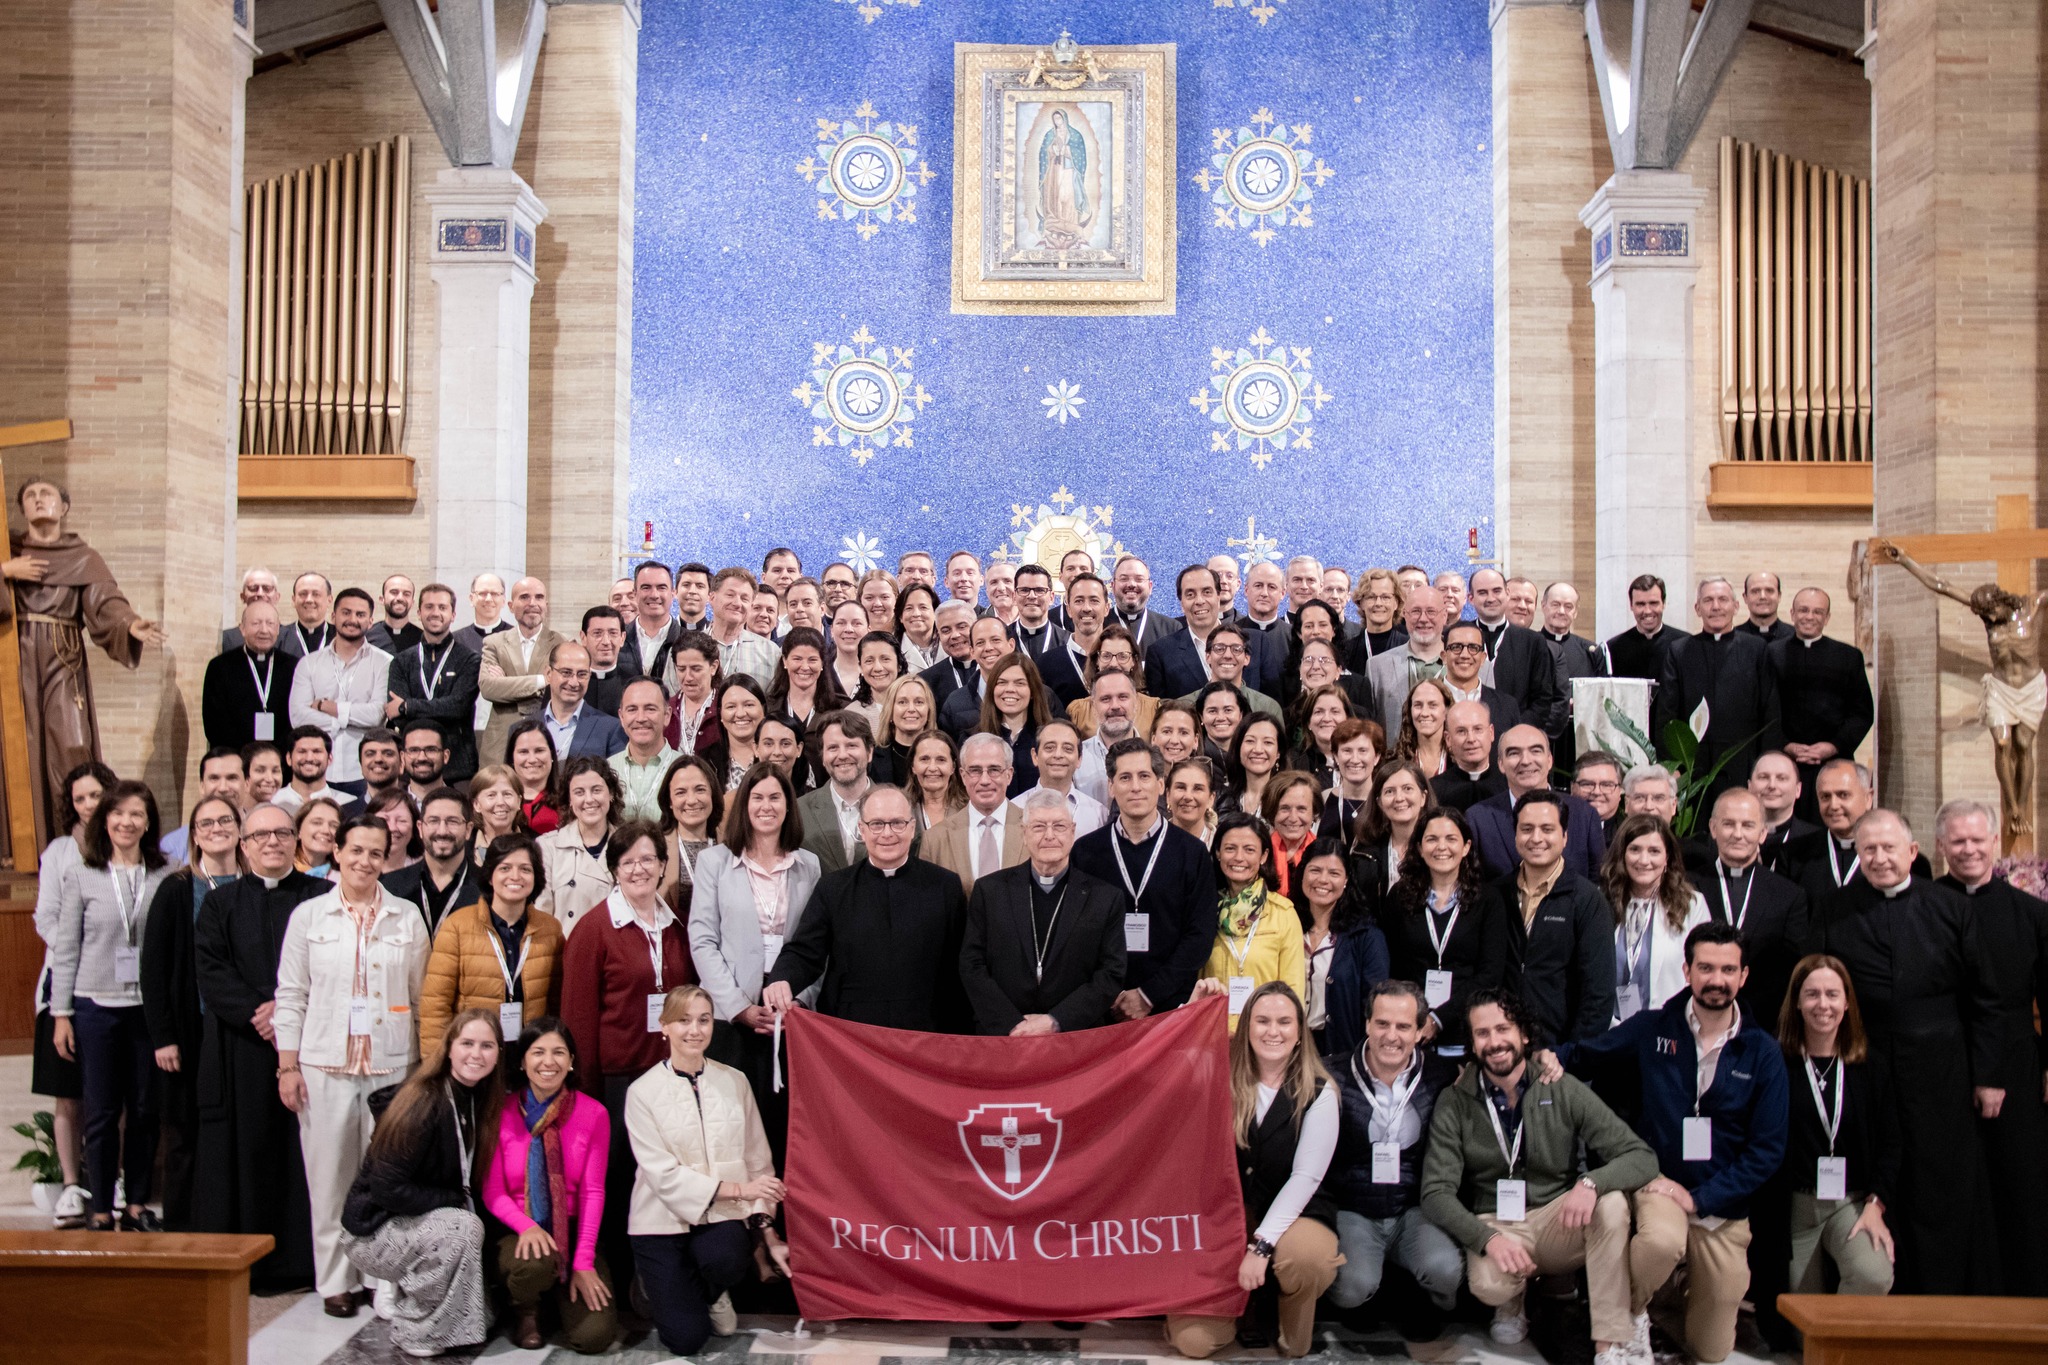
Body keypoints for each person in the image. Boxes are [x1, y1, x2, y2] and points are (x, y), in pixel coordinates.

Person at [1551, 921, 1789, 1362]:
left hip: (1722, 1206)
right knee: (1660, 1242)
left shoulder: (1763, 1052)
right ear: (1687, 970)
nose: (1716, 980)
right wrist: (1541, 1059)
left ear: (1743, 976)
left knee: (1711, 1350)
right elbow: (1586, 1053)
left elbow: (1767, 1151)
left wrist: (1700, 1198)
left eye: (1728, 970)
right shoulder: (1653, 1027)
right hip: (1659, 1183)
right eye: (1706, 968)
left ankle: (1670, 1294)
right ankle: (1630, 1315)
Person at [1806, 808, 2002, 1292]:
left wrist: (1988, 1076)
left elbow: (1985, 998)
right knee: (1875, 1173)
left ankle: (1939, 1295)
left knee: (1939, 1181)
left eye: (1889, 848)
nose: (1879, 858)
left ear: (1912, 852)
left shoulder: (1951, 908)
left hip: (1942, 1068)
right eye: (1868, 849)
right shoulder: (1834, 909)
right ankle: (1872, 1286)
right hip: (1865, 1064)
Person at [1420, 990, 1654, 1361]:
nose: (1494, 1042)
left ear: (1525, 1034)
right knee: (1489, 1286)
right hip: (1496, 1222)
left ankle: (1608, 1343)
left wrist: (1591, 1183)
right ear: (1472, 1043)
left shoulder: (1559, 1085)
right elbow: (1435, 1193)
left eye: (1503, 1029)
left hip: (1557, 1219)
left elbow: (1640, 1156)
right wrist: (1487, 1239)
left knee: (1610, 1204)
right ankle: (1512, 1300)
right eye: (1482, 1033)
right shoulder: (1455, 1100)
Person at [273, 814, 432, 1315]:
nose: (365, 861)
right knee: (330, 1181)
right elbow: (291, 996)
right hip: (325, 1067)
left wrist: (423, 1071)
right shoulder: (309, 917)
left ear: (387, 859)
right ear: (337, 852)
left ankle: (380, 1277)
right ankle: (335, 1282)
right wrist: (287, 1066)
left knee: (385, 1178)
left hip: (392, 1067)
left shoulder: (406, 917)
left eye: (375, 853)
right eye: (356, 850)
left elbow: (422, 999)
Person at [191, 800, 327, 1288]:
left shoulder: (322, 897)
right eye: (260, 836)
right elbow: (211, 971)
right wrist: (264, 1012)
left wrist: (290, 1015)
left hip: (311, 1046)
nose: (272, 842)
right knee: (250, 1154)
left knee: (305, 1155)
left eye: (282, 833)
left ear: (296, 841)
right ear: (244, 847)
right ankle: (255, 1264)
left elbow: (333, 968)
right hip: (244, 1049)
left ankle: (306, 1262)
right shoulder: (220, 904)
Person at [1166, 982, 1340, 1360]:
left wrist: (1261, 1246)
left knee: (1306, 1257)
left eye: (1284, 1022)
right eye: (1262, 1021)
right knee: (1193, 1342)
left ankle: (1288, 1328)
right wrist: (1190, 1011)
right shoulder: (1219, 1069)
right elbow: (1169, 1065)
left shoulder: (1320, 1092)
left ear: (1300, 1032)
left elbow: (1305, 1178)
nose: (1272, 1031)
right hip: (1223, 1217)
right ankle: (1236, 1312)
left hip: (1295, 1215)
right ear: (1246, 1028)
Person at [558, 821, 694, 1289]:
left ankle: (661, 1276)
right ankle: (619, 1274)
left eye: (647, 859)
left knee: (665, 1177)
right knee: (620, 1179)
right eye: (628, 861)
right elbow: (577, 1018)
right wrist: (586, 1092)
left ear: (662, 865)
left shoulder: (676, 924)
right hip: (618, 1080)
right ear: (614, 869)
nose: (639, 869)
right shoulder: (594, 929)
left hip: (669, 1075)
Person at [2, 479, 165, 850]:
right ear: (22, 508)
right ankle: (20, 847)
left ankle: (75, 843)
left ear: (64, 507)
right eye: (30, 496)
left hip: (62, 660)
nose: (38, 499)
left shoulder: (83, 557)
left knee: (72, 746)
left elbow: (106, 602)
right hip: (14, 659)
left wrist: (129, 624)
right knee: (16, 746)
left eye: (47, 494)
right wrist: (5, 572)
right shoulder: (9, 551)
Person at [626, 985, 789, 1356]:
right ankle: (652, 1281)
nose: (695, 1030)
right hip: (659, 1223)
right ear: (664, 1025)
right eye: (683, 1020)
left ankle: (712, 1291)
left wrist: (768, 1234)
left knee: (727, 1257)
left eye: (703, 1020)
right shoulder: (641, 1092)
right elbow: (664, 1176)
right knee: (686, 1340)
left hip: (719, 1218)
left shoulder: (735, 1081)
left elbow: (758, 1161)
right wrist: (739, 1190)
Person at [339, 1008, 504, 1357]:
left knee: (484, 1317)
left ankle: (439, 1318)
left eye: (487, 1046)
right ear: (449, 1048)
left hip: (418, 1219)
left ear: (498, 1054)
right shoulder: (423, 1101)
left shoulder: (476, 1098)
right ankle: (415, 1330)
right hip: (373, 1230)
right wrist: (452, 1199)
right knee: (461, 1228)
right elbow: (386, 1188)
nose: (476, 1054)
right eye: (467, 1043)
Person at [1932, 798, 2048, 1294]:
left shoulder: (2032, 914)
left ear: (1996, 842)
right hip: (1943, 1064)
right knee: (1952, 1187)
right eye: (1957, 841)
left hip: (2017, 1066)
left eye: (1978, 840)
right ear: (1940, 846)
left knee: (2019, 1184)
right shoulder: (1924, 904)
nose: (1969, 850)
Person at [1752, 953, 1897, 1347]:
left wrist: (1876, 1205)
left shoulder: (1870, 1066)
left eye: (1833, 994)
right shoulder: (1774, 1063)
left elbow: (1892, 1143)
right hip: (1793, 1208)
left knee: (1873, 1274)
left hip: (1850, 1205)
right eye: (1812, 994)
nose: (1823, 1004)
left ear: (1847, 1002)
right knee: (1799, 1333)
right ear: (1797, 1002)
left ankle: (1839, 1349)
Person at [48, 779, 173, 1231]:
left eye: (136, 813)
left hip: (147, 1009)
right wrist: (61, 1014)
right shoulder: (82, 874)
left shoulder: (166, 873)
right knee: (101, 1111)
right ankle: (101, 1207)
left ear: (148, 822)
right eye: (118, 813)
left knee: (144, 1110)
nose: (126, 822)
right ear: (105, 821)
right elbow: (66, 949)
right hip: (95, 1007)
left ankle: (136, 1205)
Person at [763, 785, 972, 1031]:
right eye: (877, 824)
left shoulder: (945, 886)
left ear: (912, 827)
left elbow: (962, 962)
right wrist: (783, 979)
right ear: (862, 829)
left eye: (897, 823)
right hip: (851, 1031)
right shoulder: (833, 889)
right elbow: (805, 952)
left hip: (926, 1030)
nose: (887, 833)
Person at [1321, 981, 1465, 1336]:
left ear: (1419, 1031)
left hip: (1412, 1209)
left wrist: (1545, 1061)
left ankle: (1415, 1293)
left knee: (1446, 1271)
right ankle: (1368, 1294)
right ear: (1367, 1024)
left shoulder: (1442, 1075)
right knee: (1352, 1287)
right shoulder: (1331, 1075)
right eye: (1382, 1024)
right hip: (1354, 1209)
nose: (1391, 1036)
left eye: (1403, 1026)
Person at [689, 763, 821, 1145]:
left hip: (789, 1012)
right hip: (731, 1015)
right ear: (744, 804)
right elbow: (702, 940)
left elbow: (817, 945)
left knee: (784, 1125)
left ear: (788, 805)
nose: (766, 806)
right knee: (733, 1127)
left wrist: (799, 1000)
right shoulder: (714, 862)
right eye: (757, 797)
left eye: (775, 797)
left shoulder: (809, 865)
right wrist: (738, 1007)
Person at [484, 1017, 617, 1353]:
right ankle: (525, 1310)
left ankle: (557, 1300)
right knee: (535, 1263)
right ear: (522, 1061)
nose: (548, 1061)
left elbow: (593, 1192)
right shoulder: (501, 1112)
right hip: (517, 1231)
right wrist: (527, 1227)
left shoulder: (594, 1114)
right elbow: (493, 1192)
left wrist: (583, 1261)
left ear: (571, 1061)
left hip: (572, 1231)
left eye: (559, 1052)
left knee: (594, 1338)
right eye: (538, 1052)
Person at [141, 796, 241, 1229]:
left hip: (239, 1030)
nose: (217, 828)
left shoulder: (254, 884)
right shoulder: (177, 888)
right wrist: (163, 1036)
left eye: (225, 820)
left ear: (239, 828)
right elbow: (154, 968)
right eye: (206, 823)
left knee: (232, 1132)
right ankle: (181, 1230)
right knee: (184, 1133)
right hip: (189, 1029)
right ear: (195, 835)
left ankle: (229, 1225)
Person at [959, 791, 1128, 1035]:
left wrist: (1056, 1021)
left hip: (1075, 1036)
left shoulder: (1105, 898)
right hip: (1004, 1035)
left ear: (1072, 832)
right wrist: (1012, 1024)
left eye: (1059, 826)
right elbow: (972, 964)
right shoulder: (989, 891)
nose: (1049, 835)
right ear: (1024, 833)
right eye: (1039, 826)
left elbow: (1111, 973)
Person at [30, 761, 113, 1227]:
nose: (88, 805)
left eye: (95, 795)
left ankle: (115, 1179)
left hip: (115, 986)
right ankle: (70, 1185)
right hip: (64, 982)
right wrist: (78, 948)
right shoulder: (59, 852)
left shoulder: (126, 845)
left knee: (115, 1092)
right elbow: (46, 916)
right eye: (80, 798)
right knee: (68, 1095)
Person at [420, 832, 564, 1051]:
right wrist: (436, 1062)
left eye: (525, 869)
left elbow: (557, 1004)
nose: (515, 876)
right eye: (505, 868)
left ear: (536, 877)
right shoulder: (457, 926)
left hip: (529, 1054)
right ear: (489, 876)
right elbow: (435, 1006)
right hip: (474, 1055)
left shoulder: (550, 930)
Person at [1381, 807, 1508, 1055]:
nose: (1441, 847)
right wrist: (1415, 1017)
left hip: (1467, 1033)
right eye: (1431, 839)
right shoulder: (1399, 897)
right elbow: (1393, 967)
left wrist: (1438, 1019)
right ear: (1419, 848)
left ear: (1466, 847)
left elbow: (1489, 975)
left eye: (1451, 839)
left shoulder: (1488, 900)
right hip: (1411, 1032)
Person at [1500, 791, 1616, 1043]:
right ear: (1515, 835)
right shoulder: (1497, 894)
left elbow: (1598, 994)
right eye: (1527, 829)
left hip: (1560, 1050)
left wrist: (1571, 1055)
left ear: (1564, 837)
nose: (1536, 838)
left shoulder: (1587, 900)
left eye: (1547, 829)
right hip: (1501, 1045)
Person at [1653, 577, 1783, 801]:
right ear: (1697, 608)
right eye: (1708, 600)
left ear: (1736, 606)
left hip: (1743, 762)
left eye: (1723, 599)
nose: (1716, 607)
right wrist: (1671, 766)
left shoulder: (1756, 649)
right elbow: (1666, 714)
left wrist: (1766, 764)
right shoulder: (1679, 651)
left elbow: (1770, 711)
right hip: (1692, 765)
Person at [1692, 787, 1809, 1023]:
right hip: (1698, 1012)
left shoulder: (1789, 895)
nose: (1738, 834)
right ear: (1713, 828)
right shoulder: (1688, 885)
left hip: (1764, 1019)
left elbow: (1792, 967)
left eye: (1747, 825)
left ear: (1762, 833)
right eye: (1728, 824)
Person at [1191, 813, 1306, 1030]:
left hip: (1263, 1033)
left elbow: (1293, 988)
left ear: (1264, 856)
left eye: (1249, 850)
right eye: (1230, 848)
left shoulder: (1283, 913)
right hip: (1212, 1032)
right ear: (1218, 853)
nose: (1239, 857)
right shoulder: (1204, 910)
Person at [1767, 588, 1873, 822]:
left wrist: (1833, 745)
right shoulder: (1771, 654)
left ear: (1827, 618)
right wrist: (1785, 744)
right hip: (1785, 760)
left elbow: (1861, 713)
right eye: (1803, 610)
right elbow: (1764, 709)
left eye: (1817, 612)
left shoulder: (1848, 656)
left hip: (1833, 760)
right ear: (1792, 614)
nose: (1809, 617)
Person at [286, 587, 395, 799]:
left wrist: (328, 707)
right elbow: (298, 717)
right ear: (333, 616)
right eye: (346, 613)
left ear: (371, 621)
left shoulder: (385, 663)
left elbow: (376, 715)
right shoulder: (309, 663)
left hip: (363, 771)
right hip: (318, 770)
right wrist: (344, 720)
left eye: (360, 614)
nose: (352, 619)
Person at [1601, 814, 1711, 1021]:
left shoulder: (1692, 904)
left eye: (1654, 851)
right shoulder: (1601, 901)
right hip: (1610, 1028)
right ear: (1622, 854)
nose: (1644, 860)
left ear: (1667, 858)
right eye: (1635, 849)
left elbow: (1703, 969)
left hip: (1670, 1026)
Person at [1468, 724, 1608, 880]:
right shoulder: (1478, 819)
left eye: (1535, 751)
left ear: (1549, 760)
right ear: (1501, 764)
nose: (1526, 761)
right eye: (1514, 753)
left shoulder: (1584, 814)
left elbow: (1598, 882)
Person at [1294, 836, 1386, 1054]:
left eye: (1334, 873)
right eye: (1315, 870)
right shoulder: (1286, 925)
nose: (1323, 880)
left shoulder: (1365, 936)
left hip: (1341, 1053)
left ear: (1346, 880)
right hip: (1288, 1049)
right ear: (1302, 874)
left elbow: (1376, 1003)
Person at [384, 582, 481, 782]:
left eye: (442, 607)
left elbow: (458, 707)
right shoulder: (401, 661)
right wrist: (437, 709)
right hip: (412, 764)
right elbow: (397, 716)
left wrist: (408, 706)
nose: (435, 613)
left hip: (458, 767)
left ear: (453, 615)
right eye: (429, 607)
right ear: (419, 613)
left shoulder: (470, 659)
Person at [922, 732, 1028, 895]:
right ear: (963, 776)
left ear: (1009, 775)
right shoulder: (935, 839)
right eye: (975, 770)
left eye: (994, 770)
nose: (985, 780)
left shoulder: (1034, 828)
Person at [478, 577, 564, 767]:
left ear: (546, 605)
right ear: (510, 605)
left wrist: (506, 686)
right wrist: (541, 681)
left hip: (546, 740)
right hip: (500, 744)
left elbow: (562, 688)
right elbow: (488, 688)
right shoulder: (494, 643)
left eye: (539, 597)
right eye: (524, 597)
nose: (532, 603)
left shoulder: (561, 644)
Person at [1468, 569, 1562, 735]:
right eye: (1482, 593)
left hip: (1517, 734)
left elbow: (1542, 700)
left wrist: (1514, 730)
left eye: (1497, 591)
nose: (1491, 598)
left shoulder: (1533, 641)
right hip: (1466, 734)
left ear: (1507, 594)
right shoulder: (1457, 636)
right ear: (1471, 598)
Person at [534, 757, 620, 934]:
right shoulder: (548, 847)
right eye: (579, 792)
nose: (589, 799)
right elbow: (541, 915)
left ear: (611, 794)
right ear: (570, 800)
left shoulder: (627, 844)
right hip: (564, 945)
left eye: (596, 790)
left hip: (613, 946)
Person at [383, 788, 481, 933]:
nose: (442, 831)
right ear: (420, 828)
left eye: (452, 821)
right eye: (433, 821)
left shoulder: (489, 888)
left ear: (468, 830)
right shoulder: (388, 887)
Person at [204, 600, 299, 750]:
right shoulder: (220, 667)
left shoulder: (293, 667)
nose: (264, 630)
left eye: (270, 623)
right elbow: (215, 722)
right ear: (242, 628)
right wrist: (245, 756)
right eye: (256, 623)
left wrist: (276, 754)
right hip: (235, 756)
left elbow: (297, 718)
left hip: (281, 757)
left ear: (278, 629)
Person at [1366, 586, 1449, 742]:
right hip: (1394, 756)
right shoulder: (1377, 667)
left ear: (1444, 616)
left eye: (1431, 611)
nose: (1423, 619)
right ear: (1405, 615)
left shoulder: (1477, 667)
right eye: (1416, 611)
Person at [795, 710, 872, 873]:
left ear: (869, 752)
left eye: (851, 745)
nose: (842, 755)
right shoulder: (799, 811)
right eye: (833, 748)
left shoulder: (897, 806)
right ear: (822, 757)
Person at [966, 650, 1051, 790]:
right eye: (1002, 682)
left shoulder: (1049, 741)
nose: (1010, 689)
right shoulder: (972, 740)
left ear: (1032, 691)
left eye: (1019, 683)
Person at [1008, 563, 1086, 704]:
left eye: (1039, 590)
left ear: (1051, 597)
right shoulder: (1002, 639)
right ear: (1014, 596)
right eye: (1024, 590)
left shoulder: (1069, 641)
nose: (1032, 596)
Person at [608, 676, 680, 825]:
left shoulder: (686, 768)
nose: (641, 718)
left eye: (650, 709)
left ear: (667, 715)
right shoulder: (607, 769)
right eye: (632, 709)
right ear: (622, 717)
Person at [1017, 718, 1108, 834]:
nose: (1058, 755)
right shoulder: (1015, 809)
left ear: (1079, 759)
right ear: (1035, 756)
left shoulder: (1100, 815)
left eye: (1067, 749)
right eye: (1049, 748)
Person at [538, 641, 627, 760]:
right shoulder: (522, 728)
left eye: (581, 674)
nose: (574, 682)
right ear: (549, 674)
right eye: (566, 673)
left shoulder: (611, 730)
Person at [159, 745, 247, 864]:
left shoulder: (265, 834)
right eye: (214, 778)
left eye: (232, 778)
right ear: (201, 786)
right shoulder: (173, 845)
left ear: (247, 783)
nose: (223, 788)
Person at [656, 754, 724, 906]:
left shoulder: (731, 845)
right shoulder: (654, 847)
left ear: (712, 794)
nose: (692, 800)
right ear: (669, 801)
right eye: (681, 792)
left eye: (700, 790)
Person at [1439, 620, 1522, 738]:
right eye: (1456, 647)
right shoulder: (1425, 703)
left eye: (1473, 648)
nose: (1465, 655)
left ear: (1483, 658)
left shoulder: (1507, 707)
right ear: (1444, 656)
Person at [706, 566, 778, 687]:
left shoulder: (771, 653)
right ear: (712, 598)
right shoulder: (688, 647)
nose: (737, 603)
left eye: (744, 598)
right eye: (730, 595)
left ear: (750, 605)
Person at [1605, 573, 1684, 681]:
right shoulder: (1613, 648)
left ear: (1664, 603)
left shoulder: (1684, 645)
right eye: (1640, 604)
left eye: (1653, 603)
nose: (1647, 611)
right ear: (1631, 606)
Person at [1747, 750, 1816, 873]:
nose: (1772, 785)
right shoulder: (1727, 838)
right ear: (1750, 786)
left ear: (1798, 789)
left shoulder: (1816, 841)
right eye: (1763, 777)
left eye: (1781, 778)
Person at [1260, 770, 1323, 901]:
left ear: (1314, 813)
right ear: (1272, 811)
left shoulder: (1324, 856)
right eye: (1284, 808)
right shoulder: (1259, 855)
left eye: (1301, 809)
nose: (1293, 818)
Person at [1433, 699, 1504, 813]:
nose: (1471, 739)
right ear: (1448, 739)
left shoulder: (1510, 784)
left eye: (1478, 729)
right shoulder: (1433, 790)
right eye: (1461, 731)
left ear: (1491, 733)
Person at [1109, 554, 1182, 654]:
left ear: (1150, 587)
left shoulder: (1171, 628)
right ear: (1113, 586)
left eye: (1139, 579)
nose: (1131, 584)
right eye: (1124, 579)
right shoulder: (1099, 625)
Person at [506, 719, 563, 835]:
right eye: (523, 752)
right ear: (512, 758)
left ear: (552, 754)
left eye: (539, 751)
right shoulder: (498, 803)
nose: (532, 759)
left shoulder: (568, 801)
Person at [1223, 714, 1285, 817]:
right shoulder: (1222, 797)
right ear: (1238, 747)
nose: (1258, 750)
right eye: (1250, 741)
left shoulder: (1288, 797)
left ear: (1278, 752)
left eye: (1268, 742)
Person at [907, 730, 967, 833]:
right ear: (913, 766)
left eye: (941, 760)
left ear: (953, 767)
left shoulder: (969, 809)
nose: (932, 768)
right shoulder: (900, 808)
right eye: (924, 759)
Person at [1392, 676, 1451, 778]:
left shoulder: (1461, 760)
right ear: (1410, 711)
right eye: (1418, 705)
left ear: (1446, 711)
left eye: (1433, 705)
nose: (1424, 713)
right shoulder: (1393, 762)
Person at [454, 572, 510, 658]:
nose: (488, 599)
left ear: (503, 600)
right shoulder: (456, 640)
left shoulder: (516, 637)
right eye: (482, 593)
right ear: (472, 599)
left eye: (495, 594)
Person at [367, 788, 422, 873]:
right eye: (384, 820)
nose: (392, 828)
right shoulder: (354, 868)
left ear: (415, 829)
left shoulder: (425, 871)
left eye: (402, 821)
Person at [366, 574, 421, 656]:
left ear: (412, 602)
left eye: (406, 594)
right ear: (382, 599)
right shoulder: (367, 637)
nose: (400, 598)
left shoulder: (422, 639)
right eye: (394, 592)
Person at [895, 582, 942, 674]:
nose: (916, 614)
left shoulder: (949, 645)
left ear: (936, 613)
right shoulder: (892, 650)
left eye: (923, 607)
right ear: (900, 616)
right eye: (909, 608)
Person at [293, 795, 344, 877]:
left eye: (334, 826)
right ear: (298, 831)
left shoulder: (343, 879)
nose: (326, 831)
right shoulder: (281, 870)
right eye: (317, 823)